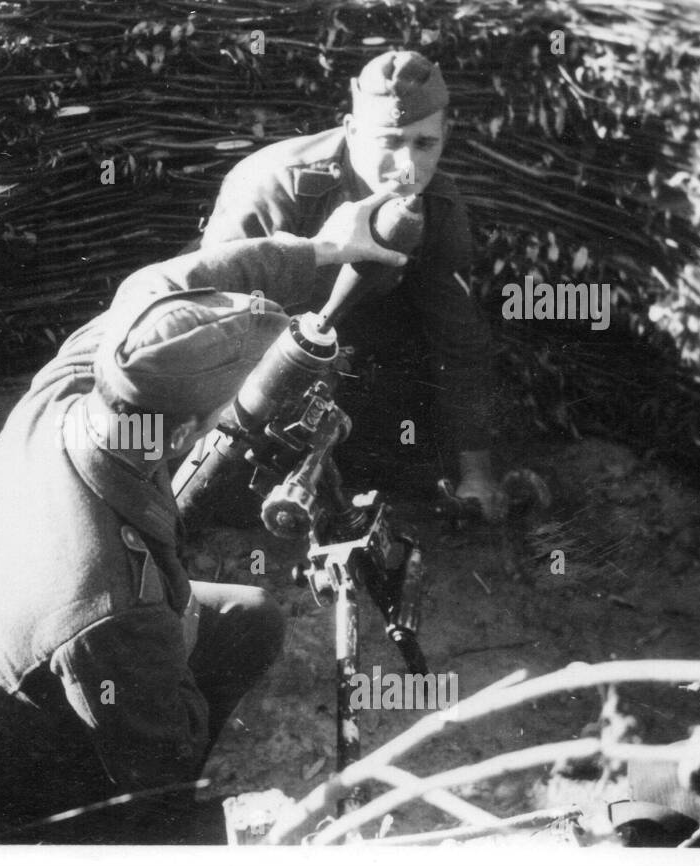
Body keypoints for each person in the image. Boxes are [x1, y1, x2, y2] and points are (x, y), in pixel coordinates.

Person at [0, 189, 410, 843]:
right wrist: (173, 625)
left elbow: (169, 282)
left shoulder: (84, 376)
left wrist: (323, 249)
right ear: (187, 430)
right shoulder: (113, 609)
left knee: (250, 620)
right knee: (175, 807)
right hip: (9, 748)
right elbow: (161, 754)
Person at [200, 50, 504, 520]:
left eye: (424, 144)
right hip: (239, 355)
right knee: (215, 494)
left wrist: (478, 475)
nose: (405, 166)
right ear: (351, 130)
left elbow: (459, 340)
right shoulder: (276, 187)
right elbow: (207, 315)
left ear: (445, 138)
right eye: (389, 142)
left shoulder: (437, 205)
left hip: (340, 360)